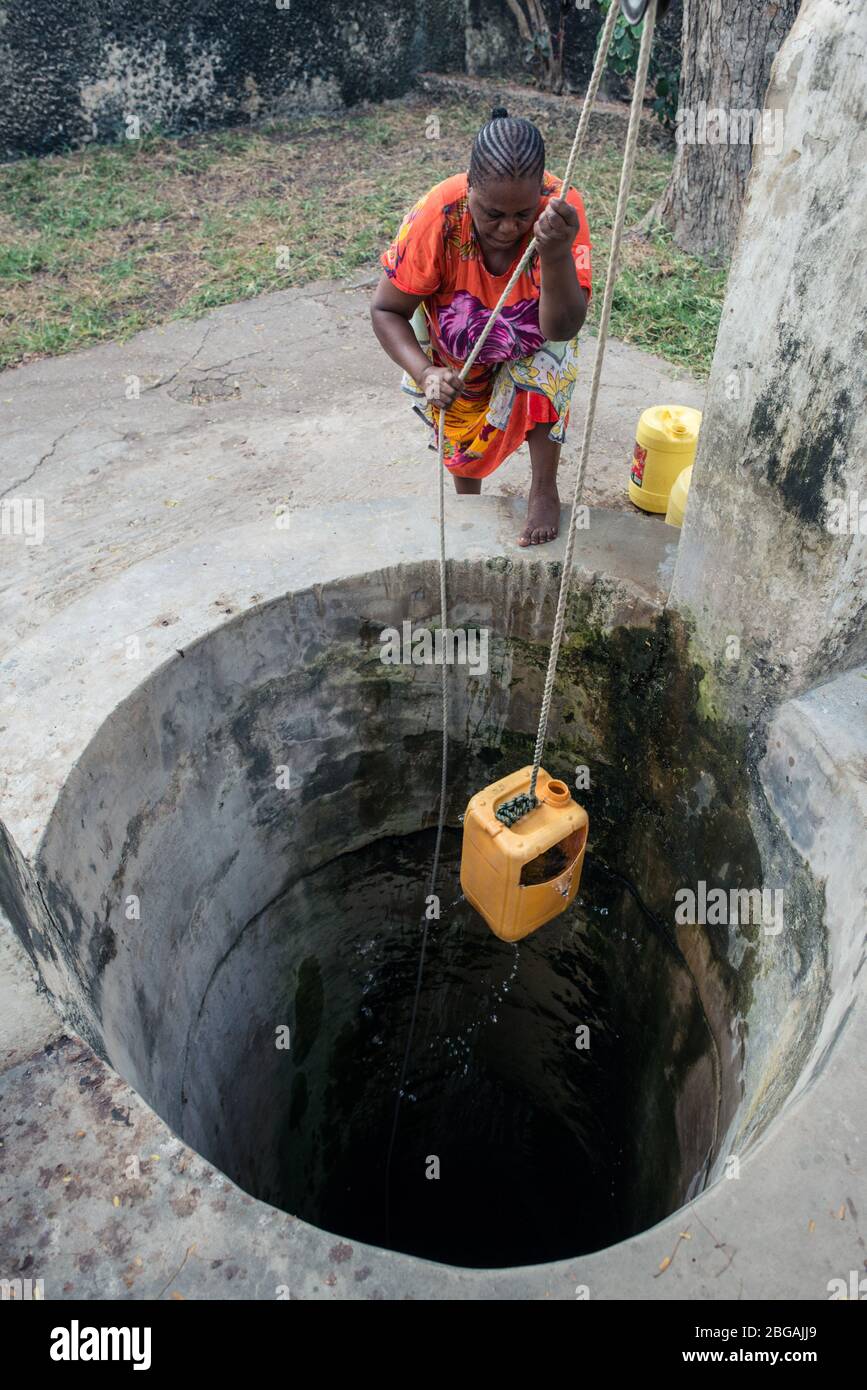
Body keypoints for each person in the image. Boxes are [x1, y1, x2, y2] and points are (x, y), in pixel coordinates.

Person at [371, 107, 592, 546]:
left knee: (550, 367)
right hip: (456, 343)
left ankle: (544, 489)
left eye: (522, 214)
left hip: (532, 336)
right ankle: (465, 498)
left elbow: (563, 328)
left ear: (539, 197)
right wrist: (426, 372)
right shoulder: (438, 214)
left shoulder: (560, 213)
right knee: (455, 404)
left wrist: (554, 252)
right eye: (492, 214)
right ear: (468, 187)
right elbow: (386, 310)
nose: (509, 228)